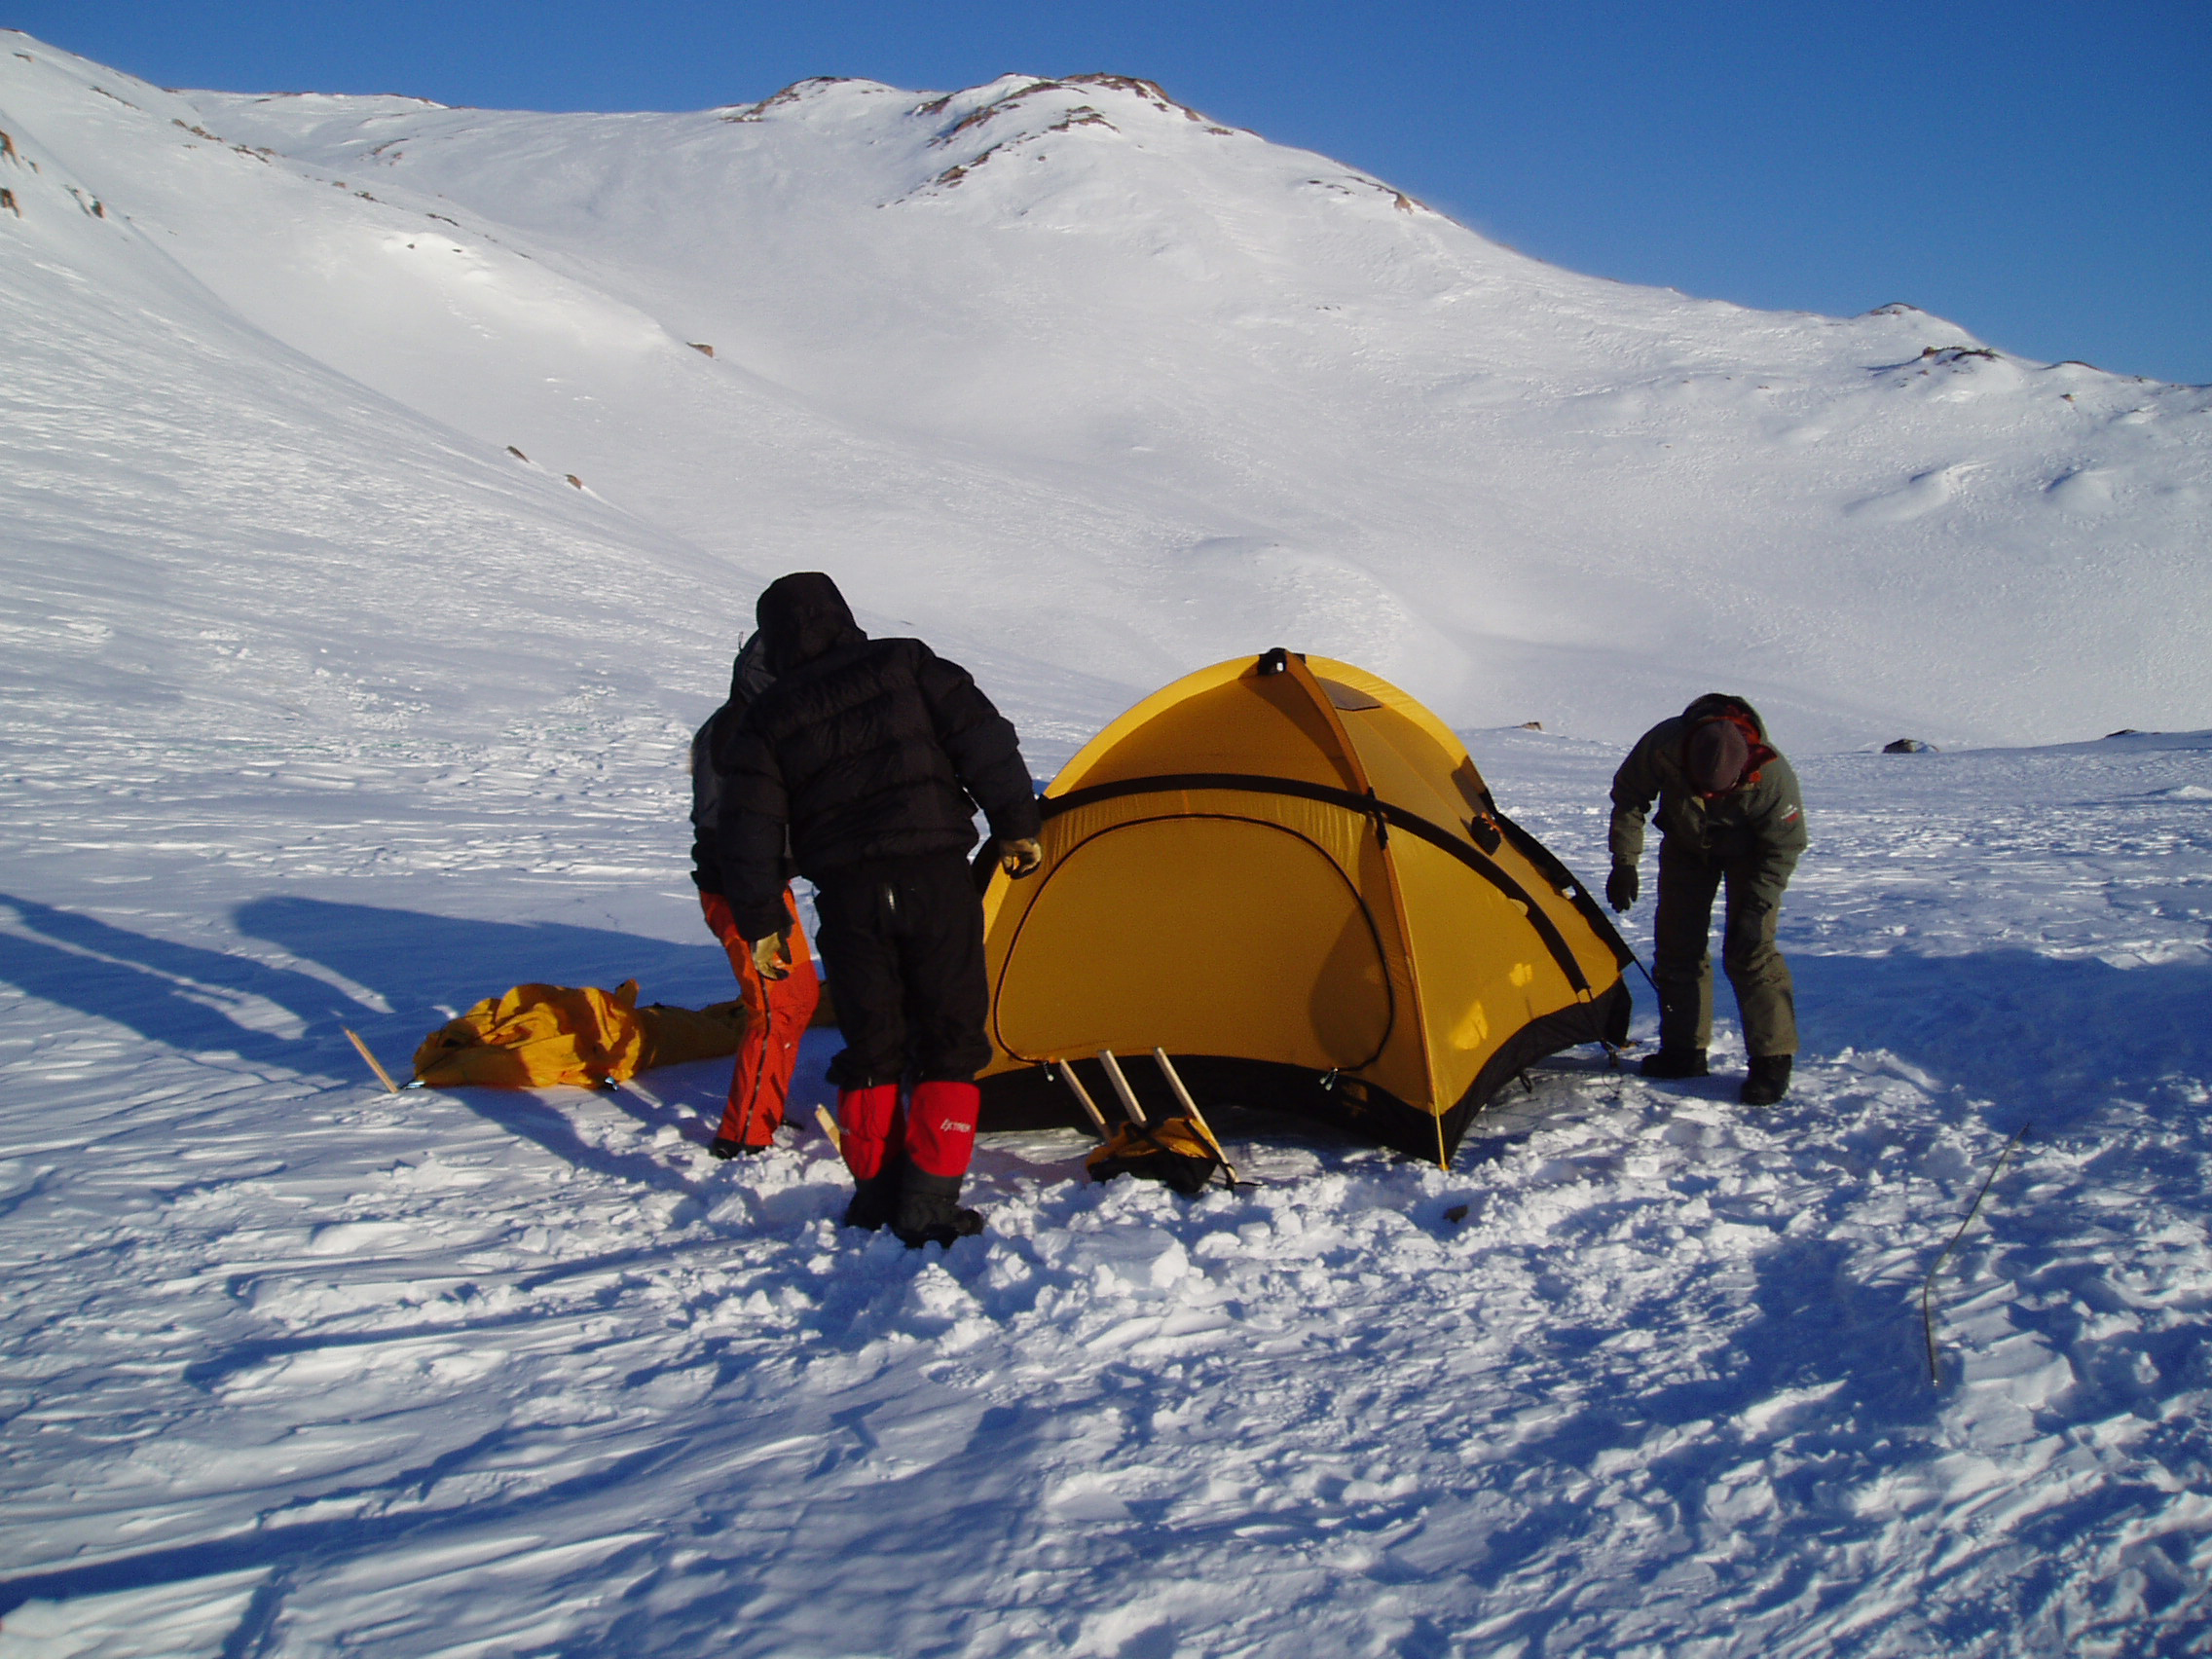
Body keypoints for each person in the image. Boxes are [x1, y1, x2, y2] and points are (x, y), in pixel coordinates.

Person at [715, 572, 1043, 1246]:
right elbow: (985, 738)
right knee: (951, 1038)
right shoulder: (906, 664)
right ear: (841, 616)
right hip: (934, 878)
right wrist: (1016, 822)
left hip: (849, 897)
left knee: (873, 1045)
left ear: (772, 642)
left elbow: (745, 829)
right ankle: (929, 1204)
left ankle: (874, 1195)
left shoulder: (766, 718)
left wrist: (762, 923)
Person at [1605, 693, 1807, 1105]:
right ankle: (1684, 1052)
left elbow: (1784, 847)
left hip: (1753, 852)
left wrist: (1758, 907)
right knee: (1678, 944)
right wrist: (1625, 861)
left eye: (1721, 792)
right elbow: (1629, 796)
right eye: (1703, 790)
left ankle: (1772, 1060)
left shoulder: (1771, 774)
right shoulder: (1663, 745)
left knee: (1751, 949)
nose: (1711, 798)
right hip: (1685, 841)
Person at [690, 632, 823, 1158]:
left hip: (759, 883)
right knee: (779, 1008)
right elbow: (739, 830)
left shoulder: (746, 724)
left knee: (799, 999)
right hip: (744, 890)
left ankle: (762, 1110)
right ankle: (745, 1133)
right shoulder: (742, 732)